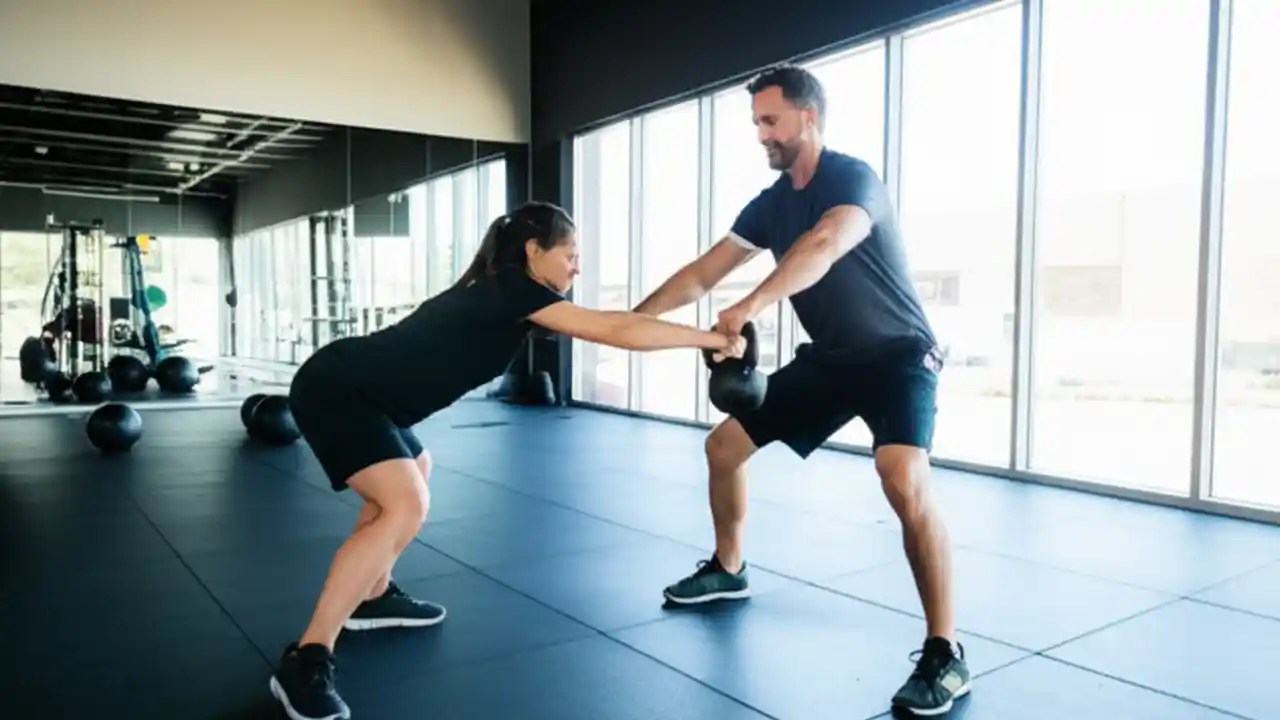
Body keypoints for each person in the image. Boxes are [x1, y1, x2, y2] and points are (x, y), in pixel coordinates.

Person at [270, 201, 745, 720]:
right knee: (405, 503)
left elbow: (617, 324)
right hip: (339, 389)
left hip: (362, 392)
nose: (577, 267)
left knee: (414, 473)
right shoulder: (512, 289)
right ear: (533, 251)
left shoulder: (507, 294)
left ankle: (373, 594)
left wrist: (671, 327)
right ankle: (307, 657)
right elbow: (614, 332)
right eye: (571, 254)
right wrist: (712, 339)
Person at [633, 64, 969, 716]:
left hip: (900, 354)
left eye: (770, 121)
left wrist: (752, 305)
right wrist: (629, 324)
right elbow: (703, 273)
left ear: (807, 118)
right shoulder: (770, 204)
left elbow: (823, 245)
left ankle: (944, 650)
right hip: (834, 360)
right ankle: (729, 569)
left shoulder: (851, 179)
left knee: (901, 476)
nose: (761, 134)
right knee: (724, 448)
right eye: (756, 122)